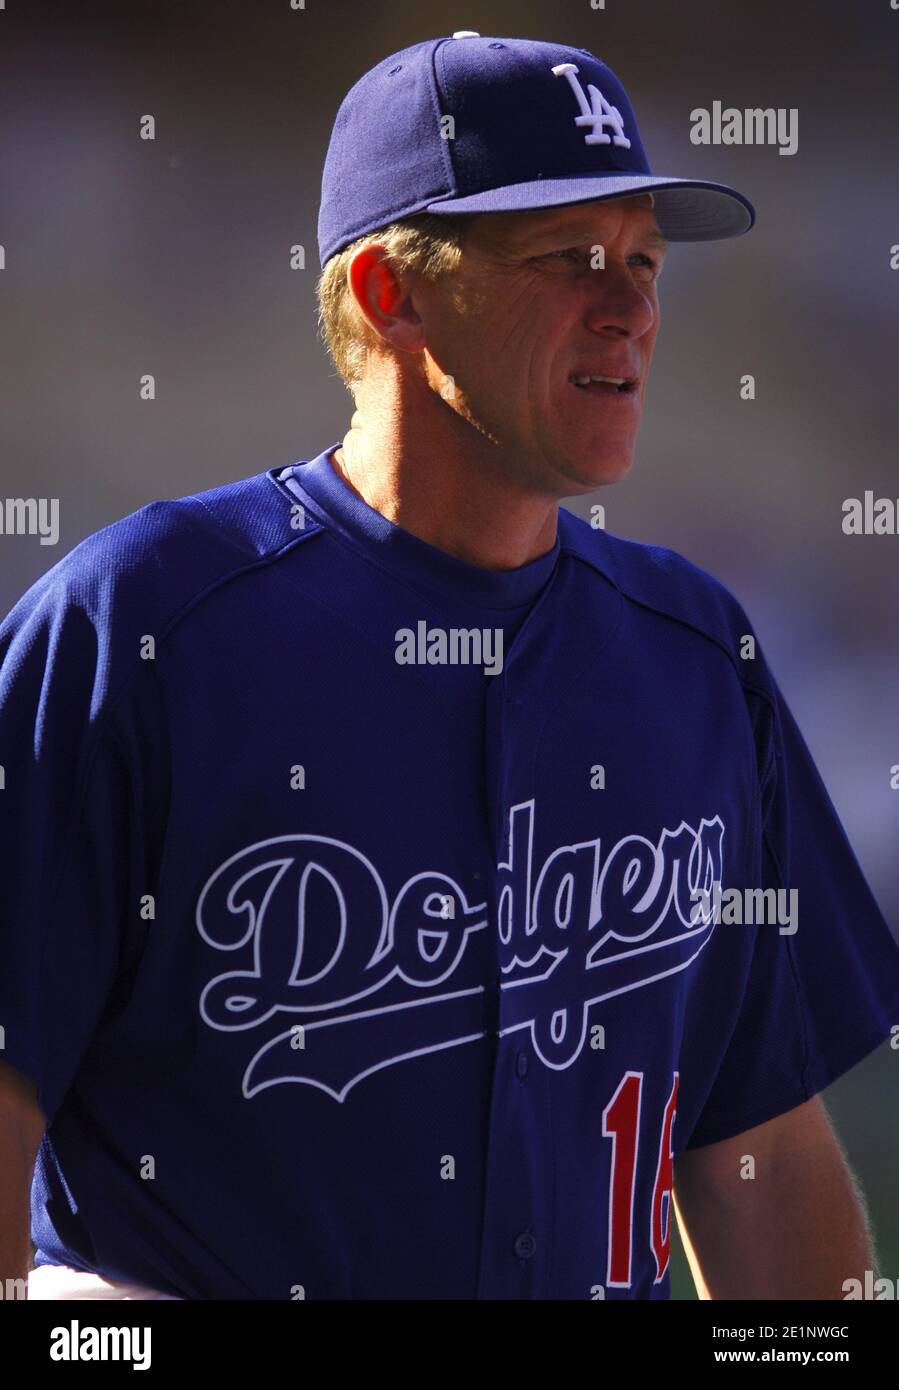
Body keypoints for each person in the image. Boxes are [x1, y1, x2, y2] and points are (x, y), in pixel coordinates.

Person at [3, 32, 898, 1302]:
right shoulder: (136, 628)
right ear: (388, 292)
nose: (631, 306)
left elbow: (759, 1151)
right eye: (565, 260)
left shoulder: (697, 655)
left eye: (642, 260)